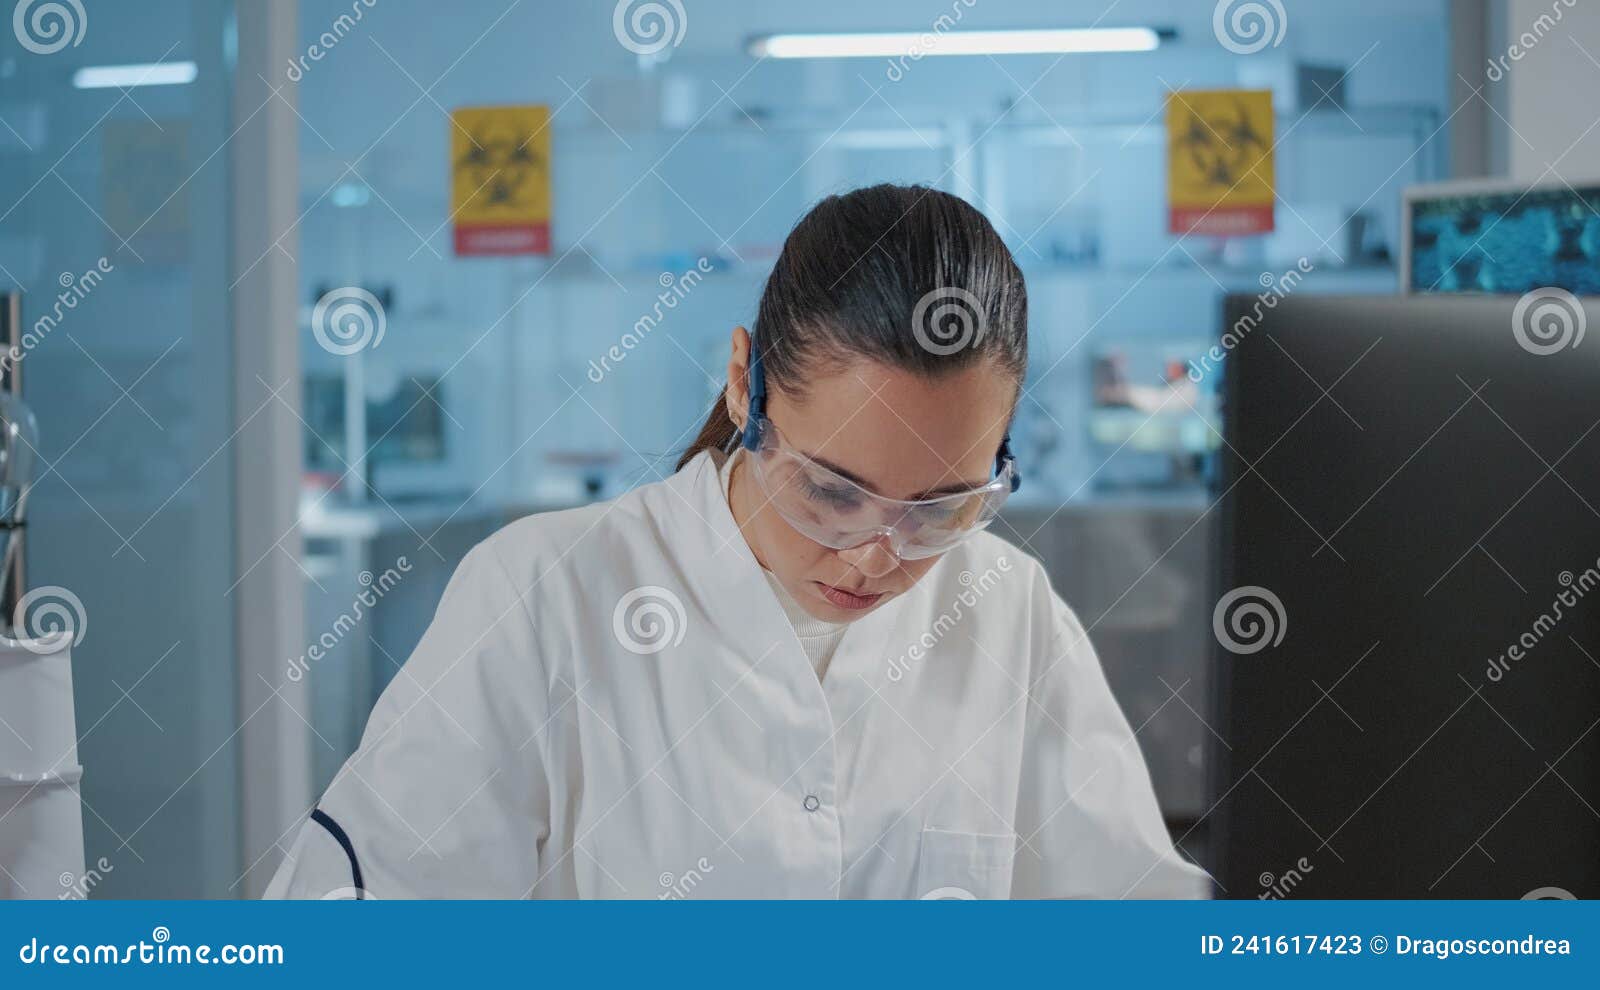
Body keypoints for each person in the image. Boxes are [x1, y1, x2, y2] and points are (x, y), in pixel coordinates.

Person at [266, 184, 1207, 900]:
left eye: (941, 507)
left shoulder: (1008, 608)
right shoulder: (544, 593)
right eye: (834, 492)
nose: (877, 557)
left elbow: (1130, 921)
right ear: (742, 383)